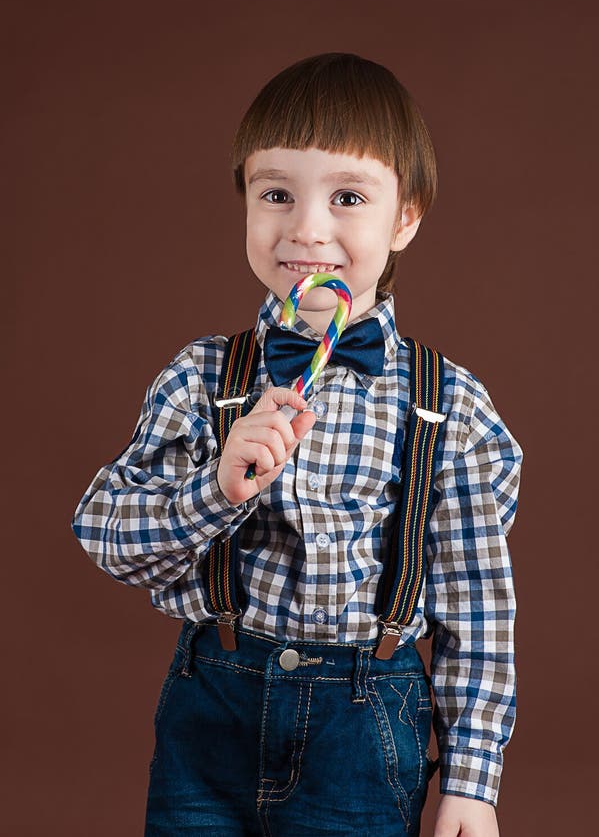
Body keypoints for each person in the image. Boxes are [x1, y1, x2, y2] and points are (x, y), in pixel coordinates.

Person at [71, 52, 524, 837]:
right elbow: (105, 535)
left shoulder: (448, 405)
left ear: (404, 218)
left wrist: (472, 779)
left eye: (347, 197)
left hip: (363, 720)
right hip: (209, 704)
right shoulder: (199, 377)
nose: (305, 229)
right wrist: (213, 490)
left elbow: (476, 609)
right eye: (275, 194)